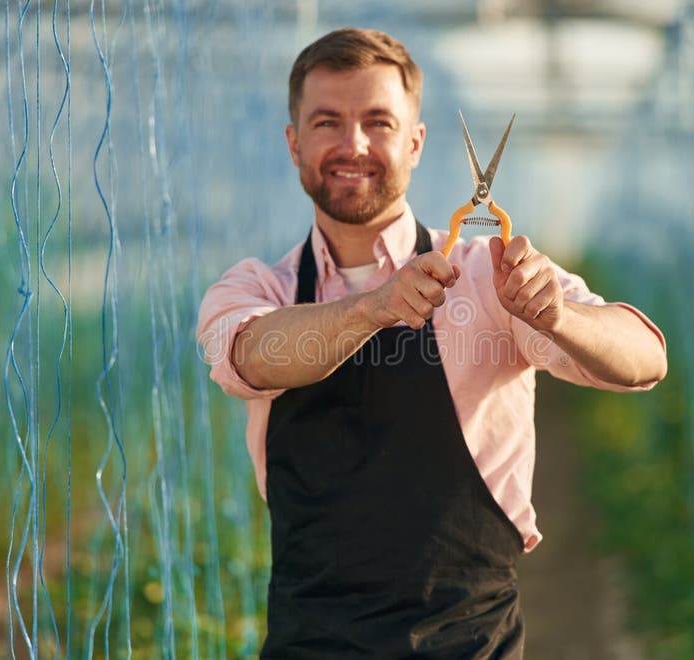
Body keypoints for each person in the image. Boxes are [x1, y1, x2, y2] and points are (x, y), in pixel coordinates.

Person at [197, 27, 667, 659]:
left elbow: (644, 358)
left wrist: (560, 318)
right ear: (294, 142)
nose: (352, 144)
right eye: (327, 121)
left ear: (415, 142)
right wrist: (374, 307)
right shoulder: (261, 288)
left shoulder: (487, 275)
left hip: (470, 642)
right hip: (309, 643)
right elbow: (249, 354)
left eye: (378, 122)